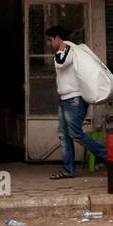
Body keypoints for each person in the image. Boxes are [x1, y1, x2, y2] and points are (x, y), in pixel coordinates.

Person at [45, 26, 107, 180]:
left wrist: (63, 47)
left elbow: (60, 63)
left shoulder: (69, 50)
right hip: (65, 99)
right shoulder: (65, 50)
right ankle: (68, 170)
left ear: (58, 38)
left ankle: (108, 156)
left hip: (74, 100)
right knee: (64, 135)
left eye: (50, 40)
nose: (48, 44)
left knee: (75, 133)